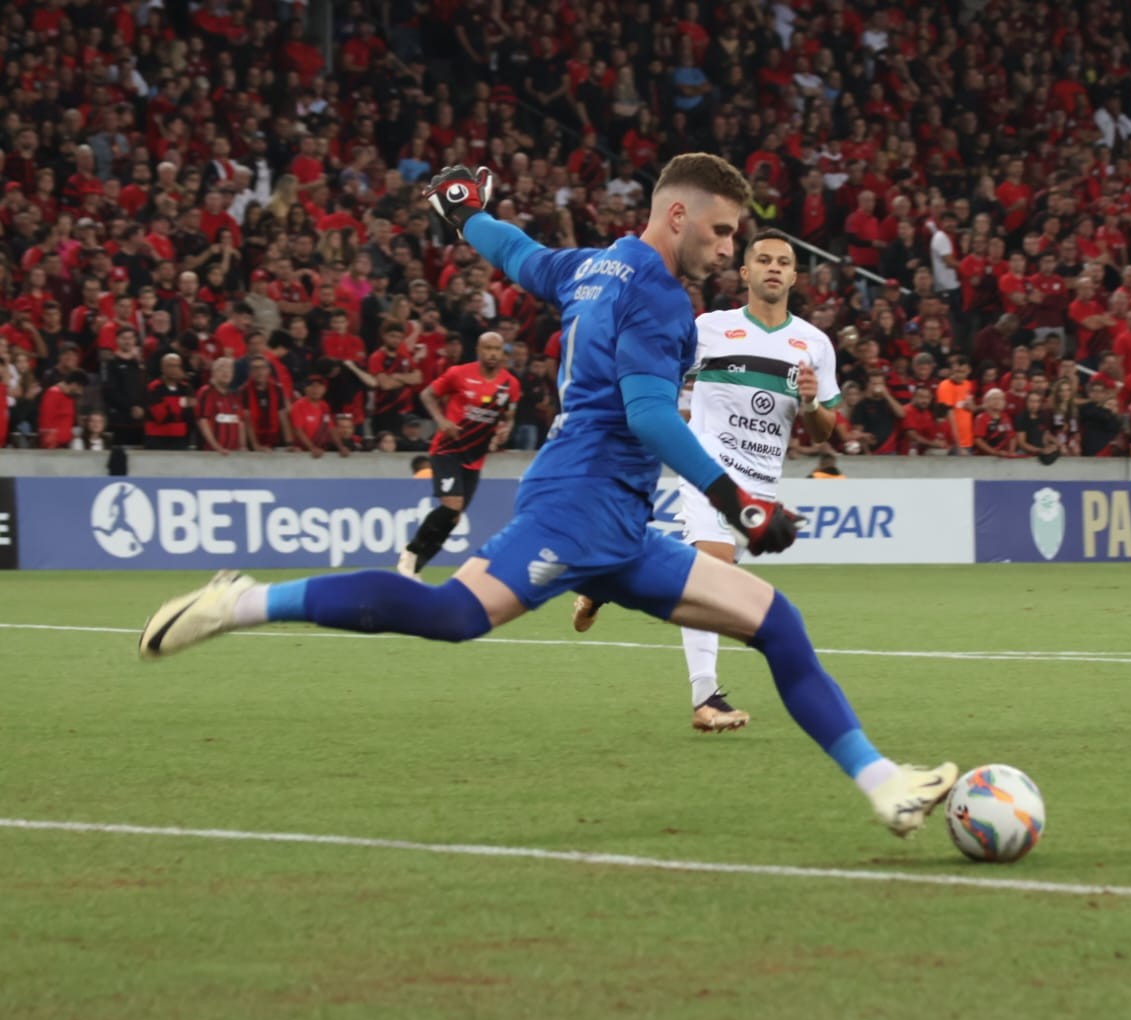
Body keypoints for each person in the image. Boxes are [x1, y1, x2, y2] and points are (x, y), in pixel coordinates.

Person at [137, 155, 955, 838]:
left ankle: (883, 785)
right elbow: (644, 414)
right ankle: (239, 605)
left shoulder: (592, 266)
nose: (728, 248)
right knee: (453, 616)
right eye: (721, 232)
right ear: (676, 215)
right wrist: (737, 500)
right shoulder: (660, 299)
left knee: (776, 621)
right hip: (577, 504)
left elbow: (516, 250)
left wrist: (464, 217)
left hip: (622, 523)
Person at [572, 230, 841, 733]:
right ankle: (706, 698)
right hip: (708, 470)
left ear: (795, 275)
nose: (774, 268)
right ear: (744, 273)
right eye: (762, 259)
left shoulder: (815, 345)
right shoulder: (709, 330)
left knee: (707, 582)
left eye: (783, 262)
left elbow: (826, 428)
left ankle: (603, 575)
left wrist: (809, 403)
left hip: (761, 484)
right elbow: (656, 375)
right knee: (711, 573)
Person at [397, 331, 520, 576]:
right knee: (452, 506)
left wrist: (504, 431)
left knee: (453, 519)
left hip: (474, 458)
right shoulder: (459, 374)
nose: (493, 354)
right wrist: (441, 421)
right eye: (488, 348)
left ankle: (414, 569)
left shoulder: (510, 384)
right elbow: (427, 394)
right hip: (448, 449)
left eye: (497, 349)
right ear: (478, 349)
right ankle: (411, 552)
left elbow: (509, 416)